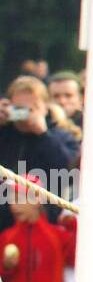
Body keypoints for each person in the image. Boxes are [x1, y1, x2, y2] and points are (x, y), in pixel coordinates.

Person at [0, 173, 76, 282]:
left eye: (19, 198)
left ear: (36, 200)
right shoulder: (6, 237)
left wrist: (74, 226)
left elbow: (77, 260)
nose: (13, 205)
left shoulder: (57, 236)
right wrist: (6, 266)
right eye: (12, 198)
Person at [0, 77, 74, 232]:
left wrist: (43, 133)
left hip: (42, 224)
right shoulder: (4, 133)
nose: (25, 114)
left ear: (45, 108)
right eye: (19, 108)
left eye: (32, 108)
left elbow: (68, 169)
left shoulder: (61, 138)